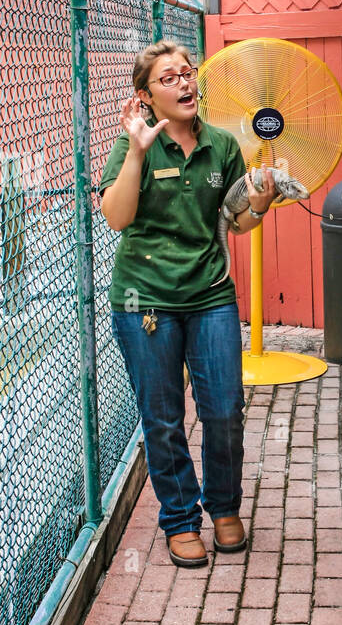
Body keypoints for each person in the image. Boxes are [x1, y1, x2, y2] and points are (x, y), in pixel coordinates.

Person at [99, 40, 278, 568]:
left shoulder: (222, 146)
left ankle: (223, 508)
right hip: (144, 300)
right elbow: (117, 217)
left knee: (224, 410)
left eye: (188, 74)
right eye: (170, 78)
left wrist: (262, 203)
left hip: (210, 295)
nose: (184, 84)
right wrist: (136, 150)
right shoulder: (132, 146)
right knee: (163, 417)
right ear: (146, 95)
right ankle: (179, 520)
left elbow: (235, 221)